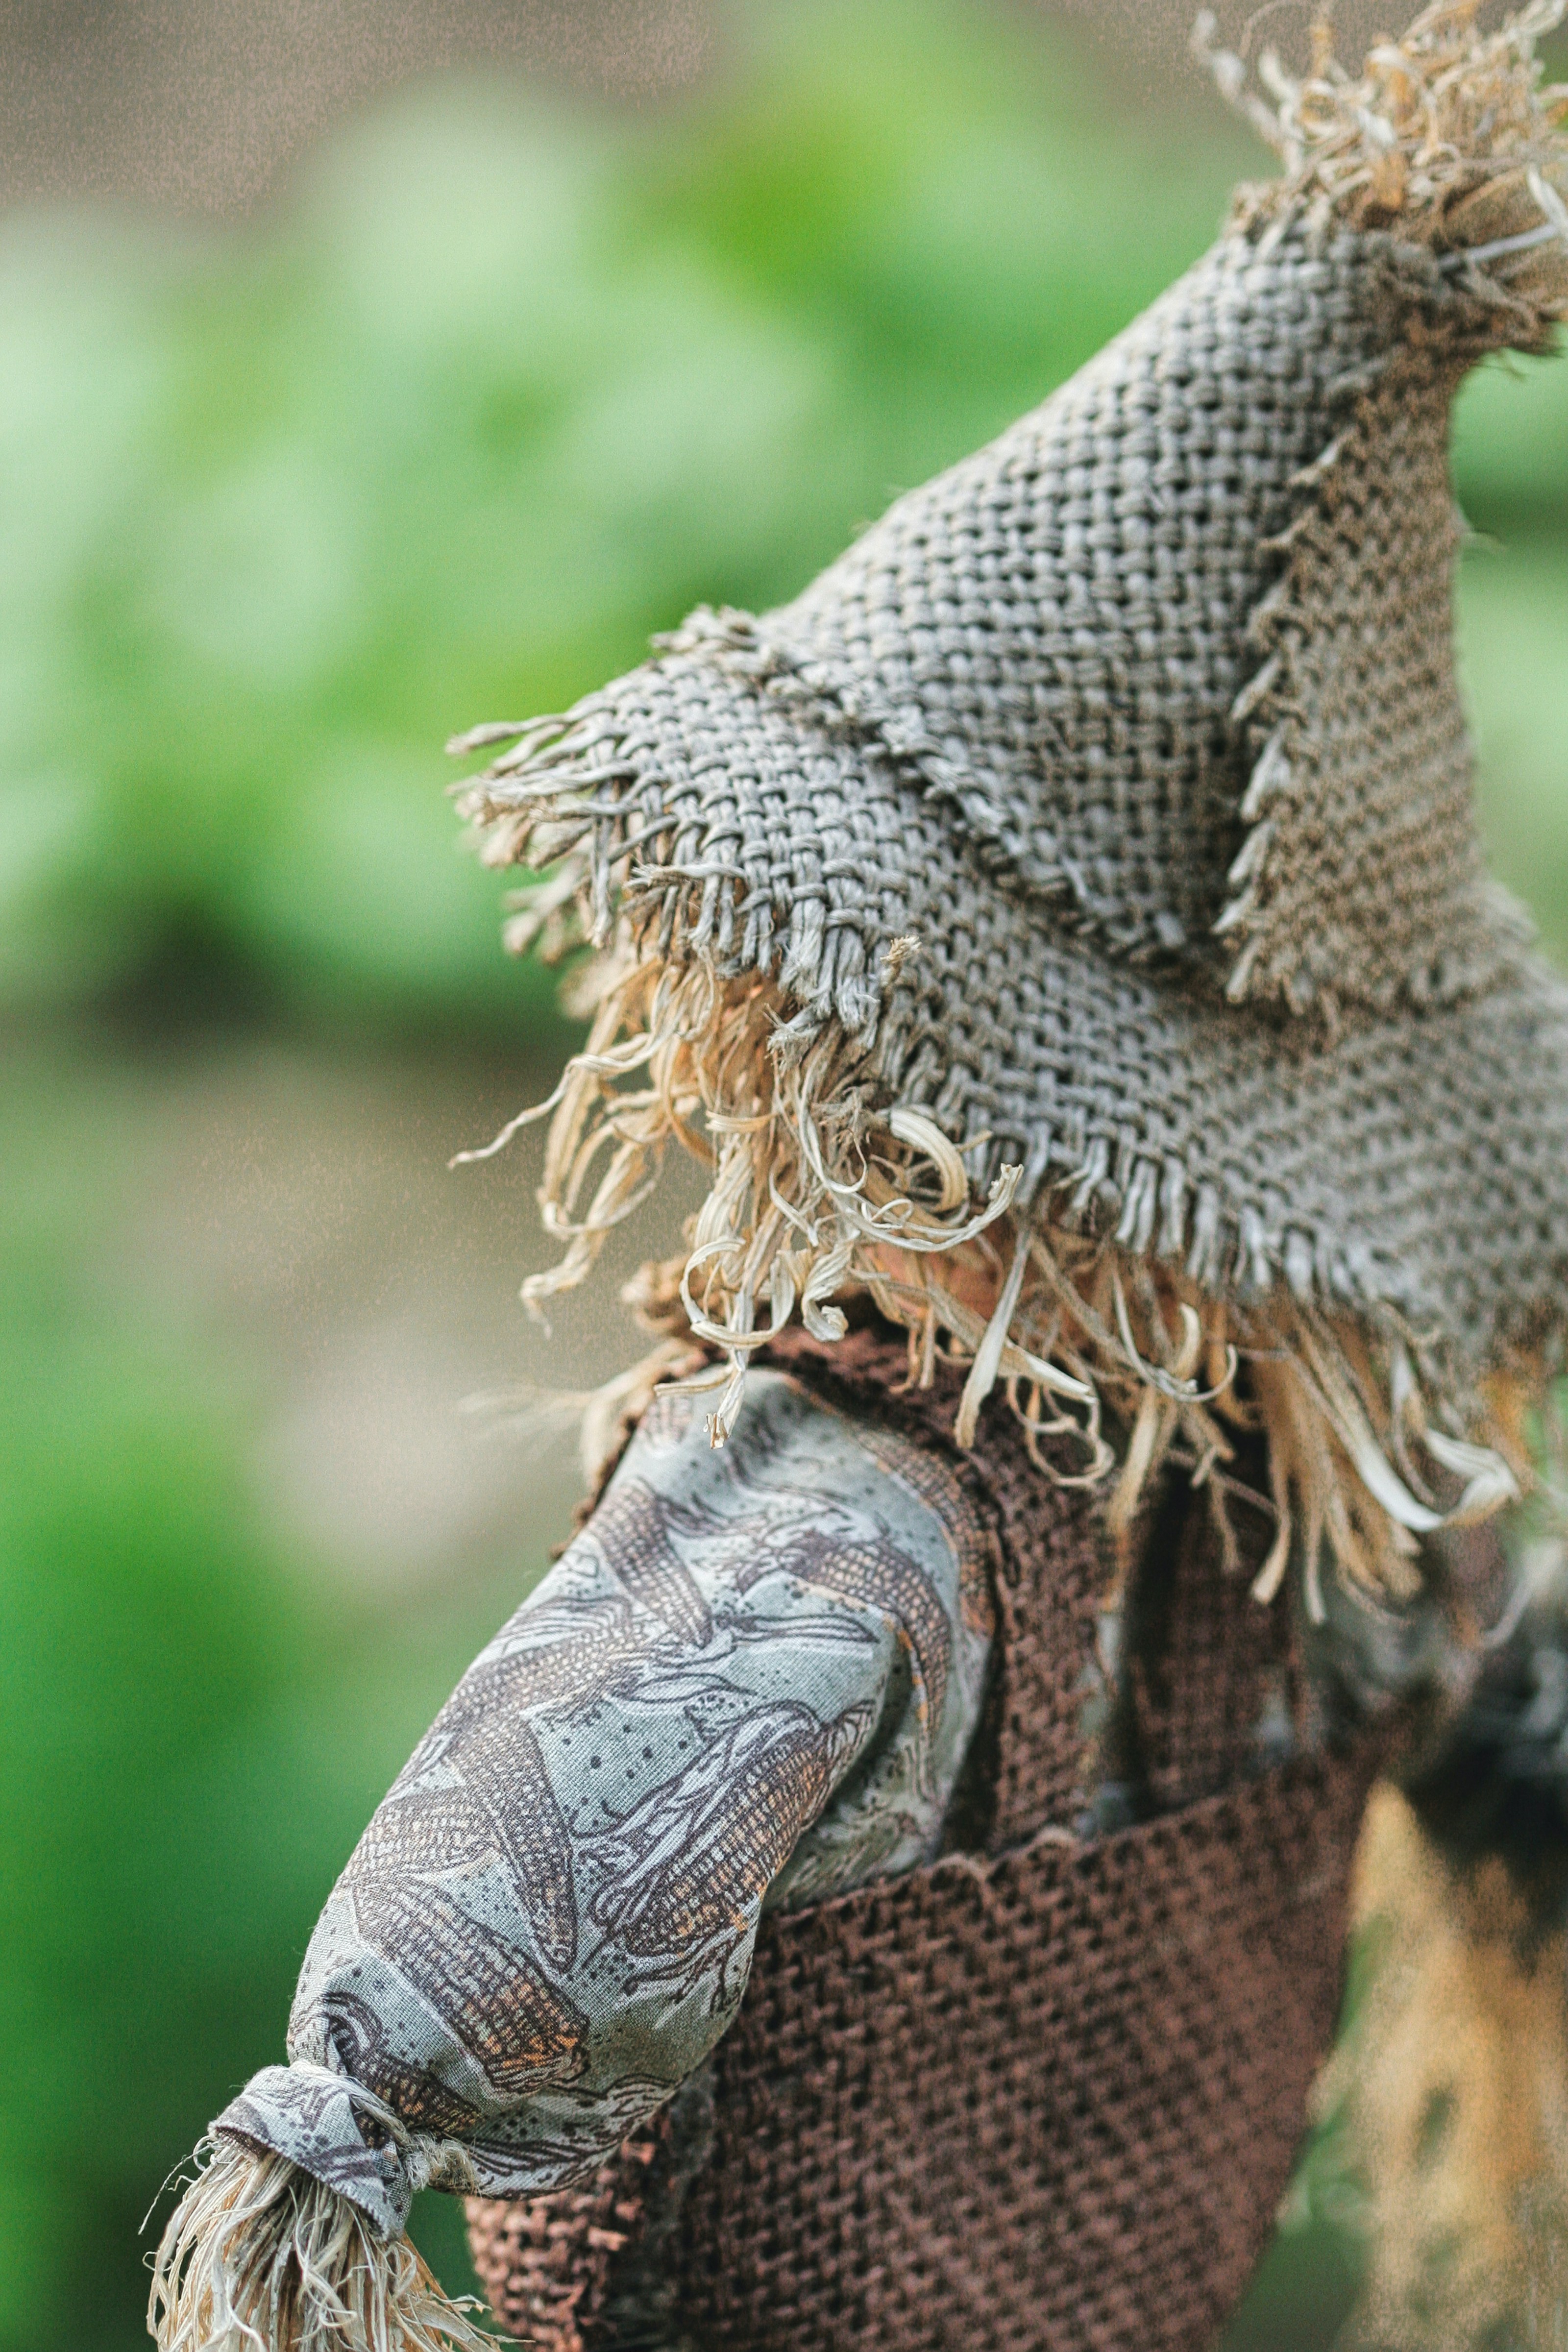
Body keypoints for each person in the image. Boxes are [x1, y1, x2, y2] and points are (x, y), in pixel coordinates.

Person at [150, 6, 1568, 2349]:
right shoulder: (1318, 1516)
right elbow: (1488, 1701)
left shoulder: (836, 1522)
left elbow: (436, 1977)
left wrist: (338, 2158)